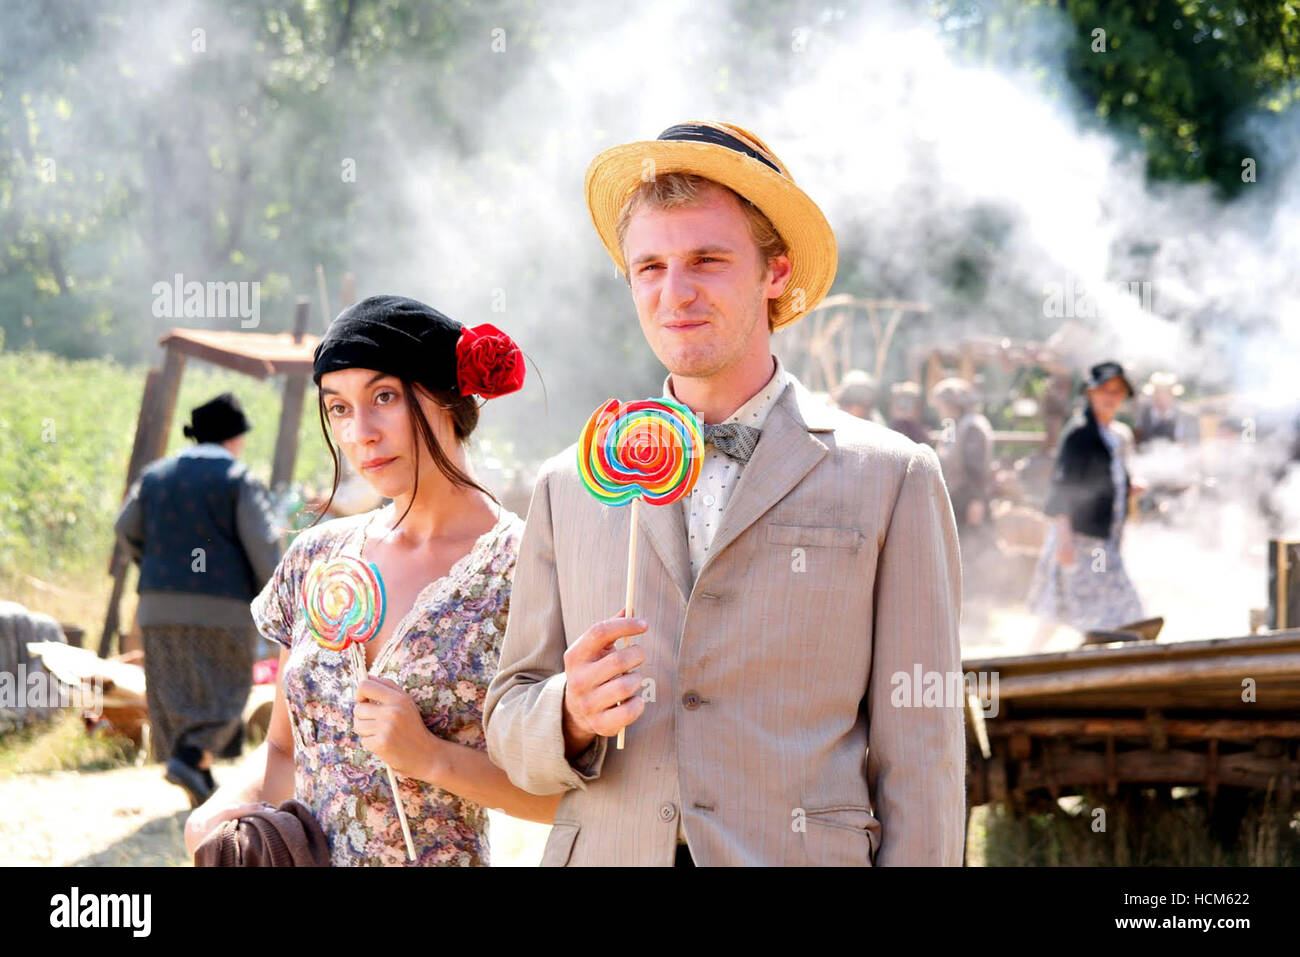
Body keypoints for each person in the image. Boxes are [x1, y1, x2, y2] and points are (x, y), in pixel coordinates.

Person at [484, 121, 964, 866]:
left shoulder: (891, 477)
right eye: (650, 266)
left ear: (775, 272)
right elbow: (509, 718)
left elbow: (924, 753)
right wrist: (569, 715)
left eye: (707, 259)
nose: (675, 293)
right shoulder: (567, 485)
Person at [183, 295, 560, 865]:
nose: (360, 433)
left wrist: (430, 757)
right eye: (338, 408)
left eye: (384, 397)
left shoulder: (526, 567)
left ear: (447, 396)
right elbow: (284, 750)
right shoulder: (317, 557)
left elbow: (562, 798)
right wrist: (217, 815)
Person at [114, 392, 282, 807]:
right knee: (228, 689)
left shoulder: (155, 477)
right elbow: (263, 545)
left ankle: (197, 775)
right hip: (223, 606)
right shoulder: (237, 480)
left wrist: (153, 567)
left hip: (158, 605)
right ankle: (192, 758)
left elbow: (126, 527)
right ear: (234, 438)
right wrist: (278, 594)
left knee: (175, 690)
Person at [1026, 361, 1146, 650]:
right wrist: (1064, 537)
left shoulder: (1118, 435)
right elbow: (1063, 486)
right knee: (1118, 609)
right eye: (1104, 390)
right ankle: (1031, 660)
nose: (1110, 397)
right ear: (1090, 393)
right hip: (1081, 539)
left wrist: (1126, 488)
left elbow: (1107, 478)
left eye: (1116, 391)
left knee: (1066, 608)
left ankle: (1033, 657)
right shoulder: (1079, 434)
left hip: (1104, 538)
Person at [930, 377, 994, 532]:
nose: (939, 411)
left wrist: (976, 501)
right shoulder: (954, 426)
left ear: (952, 405)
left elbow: (975, 467)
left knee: (972, 542)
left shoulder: (972, 427)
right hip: (956, 499)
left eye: (941, 406)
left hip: (967, 501)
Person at [1134, 370, 1197, 448]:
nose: (1161, 397)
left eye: (1165, 393)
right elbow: (1137, 442)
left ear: (1172, 395)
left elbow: (1193, 444)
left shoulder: (1186, 417)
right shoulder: (1143, 415)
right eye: (1158, 392)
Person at [887, 380, 929, 445]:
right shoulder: (891, 429)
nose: (904, 406)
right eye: (900, 400)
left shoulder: (918, 432)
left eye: (909, 401)